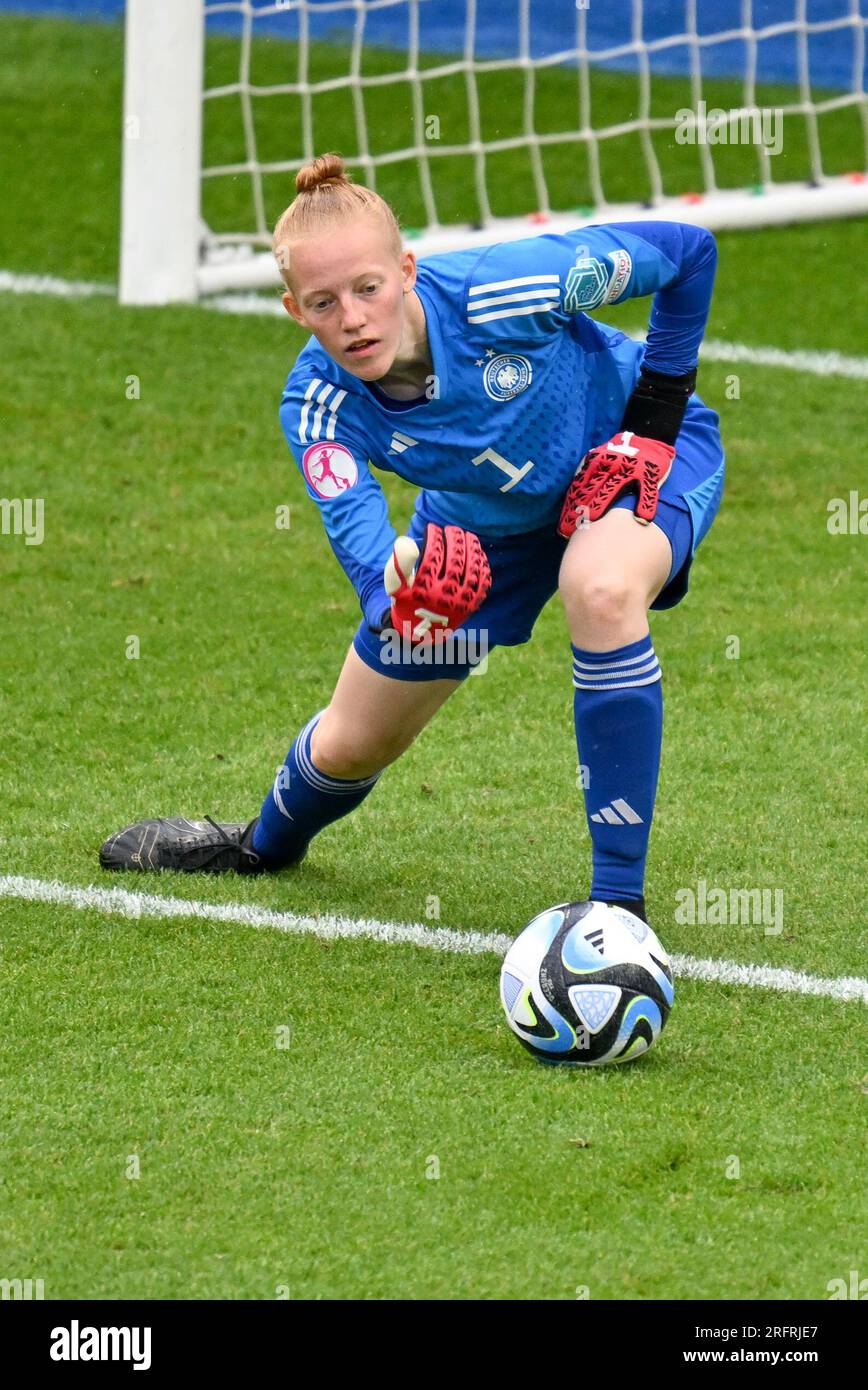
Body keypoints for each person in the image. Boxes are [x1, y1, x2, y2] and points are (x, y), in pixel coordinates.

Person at [100, 152, 725, 929]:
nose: (353, 317)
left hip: (629, 457)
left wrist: (653, 421)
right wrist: (398, 588)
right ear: (295, 310)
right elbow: (364, 542)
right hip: (484, 520)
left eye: (368, 288)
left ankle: (617, 908)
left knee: (598, 588)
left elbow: (689, 251)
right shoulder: (318, 406)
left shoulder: (513, 285)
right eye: (324, 302)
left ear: (406, 269)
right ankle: (262, 845)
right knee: (352, 742)